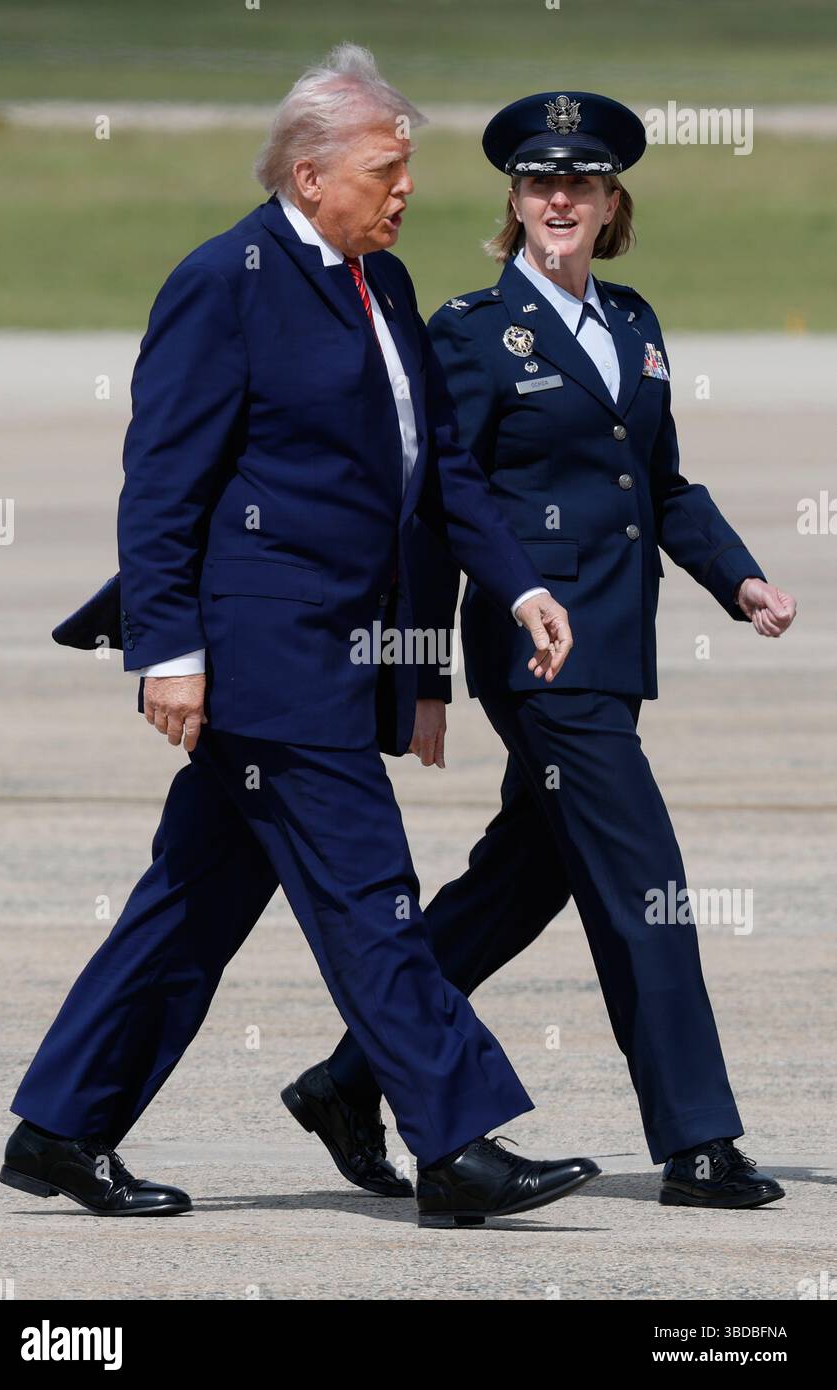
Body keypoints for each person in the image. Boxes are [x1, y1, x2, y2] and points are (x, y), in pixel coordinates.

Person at [0, 49, 600, 1230]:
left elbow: (438, 474)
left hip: (344, 648)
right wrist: (166, 650)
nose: (407, 187)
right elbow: (161, 484)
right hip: (265, 658)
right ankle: (456, 1143)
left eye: (407, 165)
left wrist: (515, 583)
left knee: (189, 903)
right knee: (370, 891)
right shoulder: (226, 279)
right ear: (310, 170)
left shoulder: (375, 279)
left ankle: (61, 1126)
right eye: (388, 165)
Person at [298, 90, 799, 1210]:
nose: (557, 199)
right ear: (513, 204)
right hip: (537, 659)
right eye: (536, 184)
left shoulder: (632, 322)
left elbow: (660, 484)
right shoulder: (471, 335)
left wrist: (739, 576)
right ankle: (696, 1142)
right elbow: (429, 507)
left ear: (611, 200)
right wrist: (418, 674)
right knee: (648, 886)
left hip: (616, 648)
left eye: (577, 183)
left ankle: (345, 1077)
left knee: (519, 881)